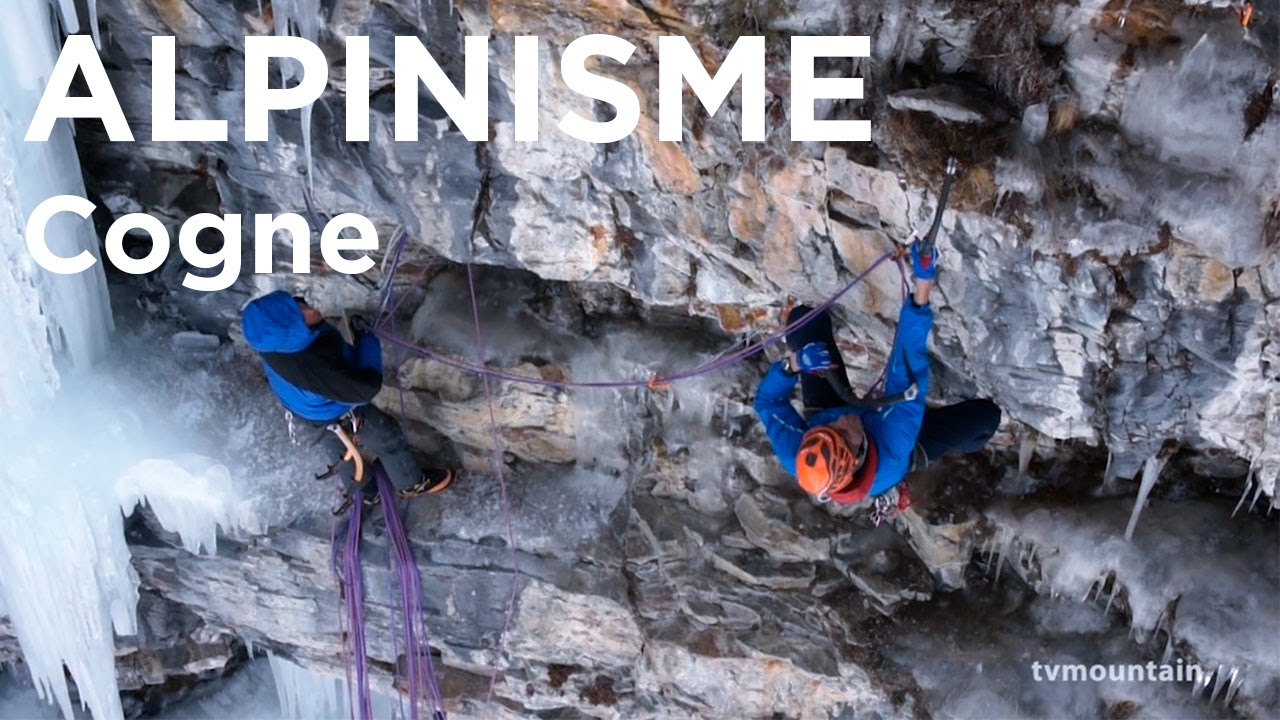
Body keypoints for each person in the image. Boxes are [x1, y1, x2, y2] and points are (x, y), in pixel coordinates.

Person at [754, 241, 1001, 522]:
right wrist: (923, 286)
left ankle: (818, 377)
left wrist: (794, 364)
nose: (841, 421)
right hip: (893, 442)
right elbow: (905, 371)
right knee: (986, 416)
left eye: (830, 429)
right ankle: (970, 446)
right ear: (858, 455)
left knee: (803, 321)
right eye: (844, 433)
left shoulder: (799, 454)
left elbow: (767, 403)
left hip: (827, 408)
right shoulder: (893, 447)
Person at [241, 290, 454, 506]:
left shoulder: (272, 342)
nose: (310, 309)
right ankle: (411, 483)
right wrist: (366, 340)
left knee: (339, 449)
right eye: (301, 314)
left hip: (306, 411)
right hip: (336, 409)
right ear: (292, 330)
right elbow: (365, 388)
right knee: (387, 438)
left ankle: (367, 491)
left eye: (299, 306)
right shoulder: (315, 368)